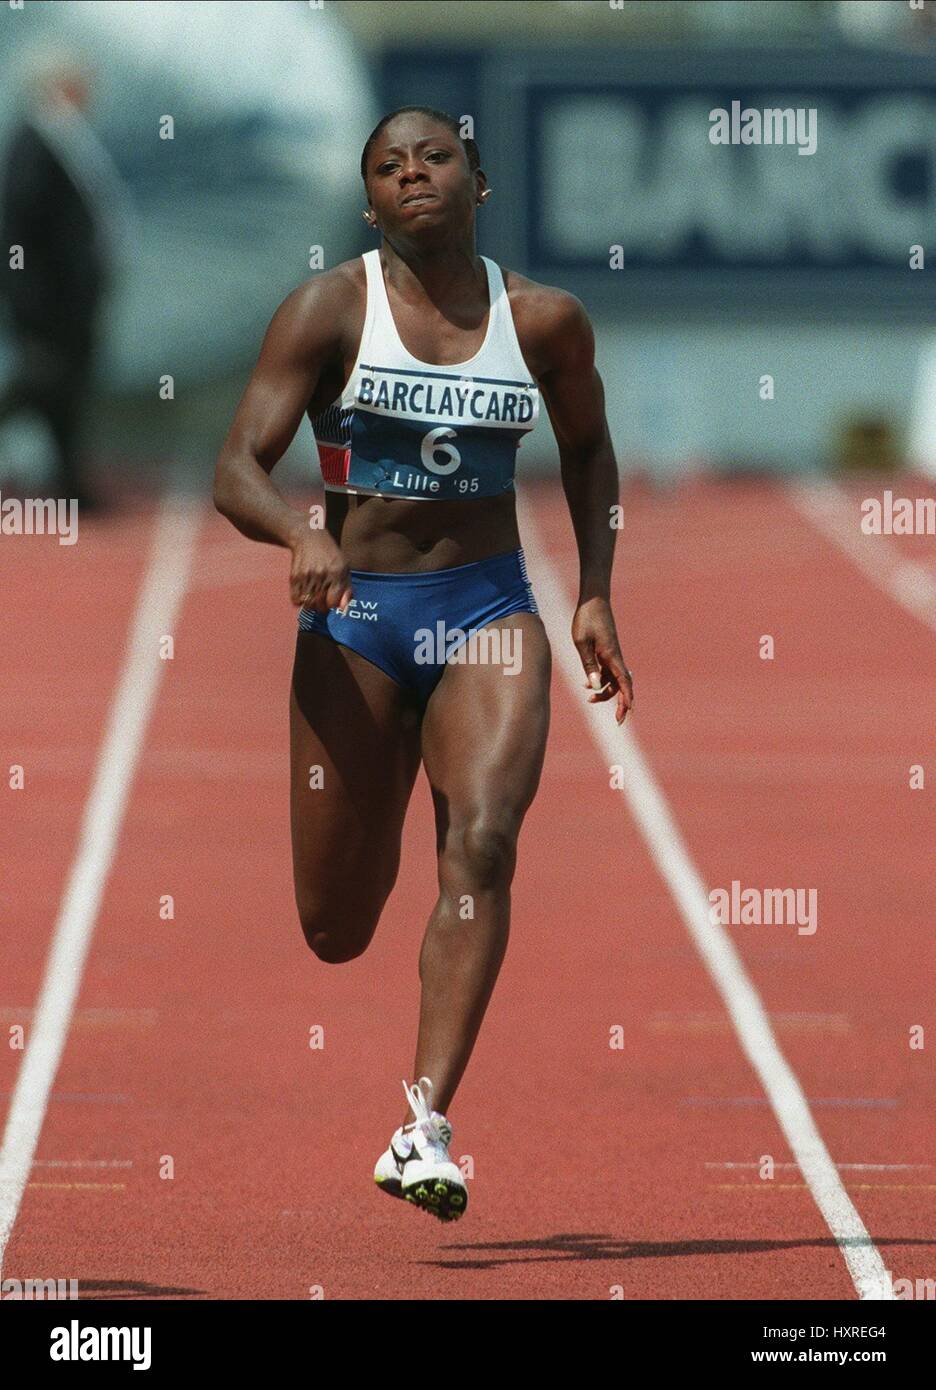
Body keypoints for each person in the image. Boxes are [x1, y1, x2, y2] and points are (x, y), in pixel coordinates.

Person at [213, 106, 633, 1222]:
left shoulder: (542, 320)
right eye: (389, 168)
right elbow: (238, 467)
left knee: (484, 838)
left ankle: (424, 1123)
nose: (413, 177)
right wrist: (299, 532)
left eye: (434, 159)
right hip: (357, 617)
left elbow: (590, 452)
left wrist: (592, 590)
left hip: (488, 611)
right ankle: (378, 832)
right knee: (336, 925)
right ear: (369, 203)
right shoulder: (328, 308)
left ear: (479, 181)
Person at [0, 51, 123, 507]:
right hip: (48, 303)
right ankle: (72, 486)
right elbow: (23, 227)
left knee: (60, 392)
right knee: (40, 385)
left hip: (68, 301)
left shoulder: (62, 137)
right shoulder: (35, 140)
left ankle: (72, 485)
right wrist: (31, 296)